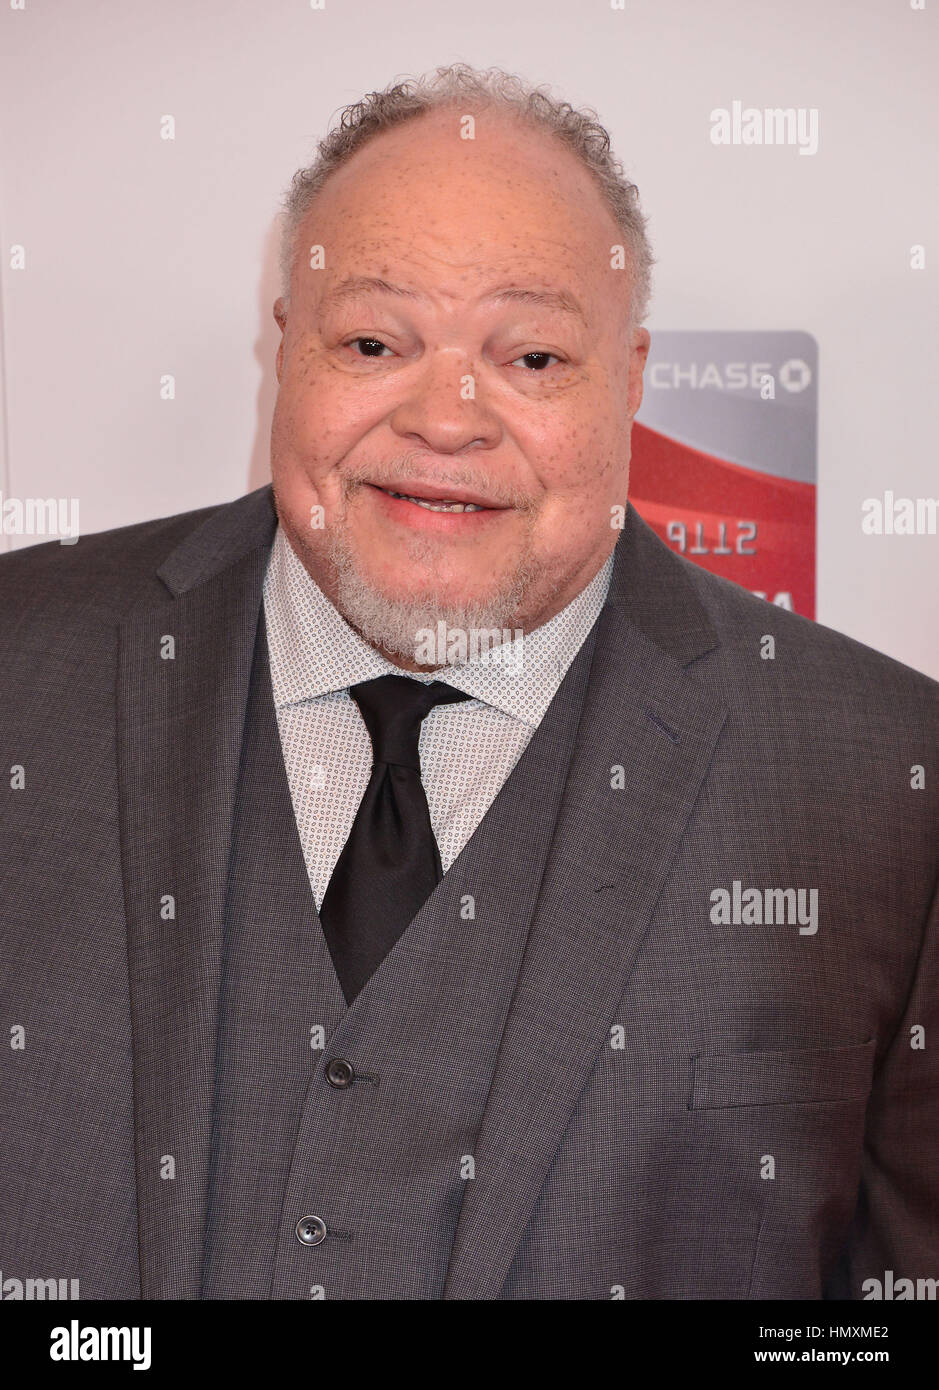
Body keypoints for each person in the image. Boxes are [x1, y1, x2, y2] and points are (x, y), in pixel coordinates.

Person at [0, 63, 936, 1301]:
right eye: (377, 340)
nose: (448, 419)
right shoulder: (22, 660)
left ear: (634, 377)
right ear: (287, 346)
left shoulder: (885, 778)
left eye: (535, 356)